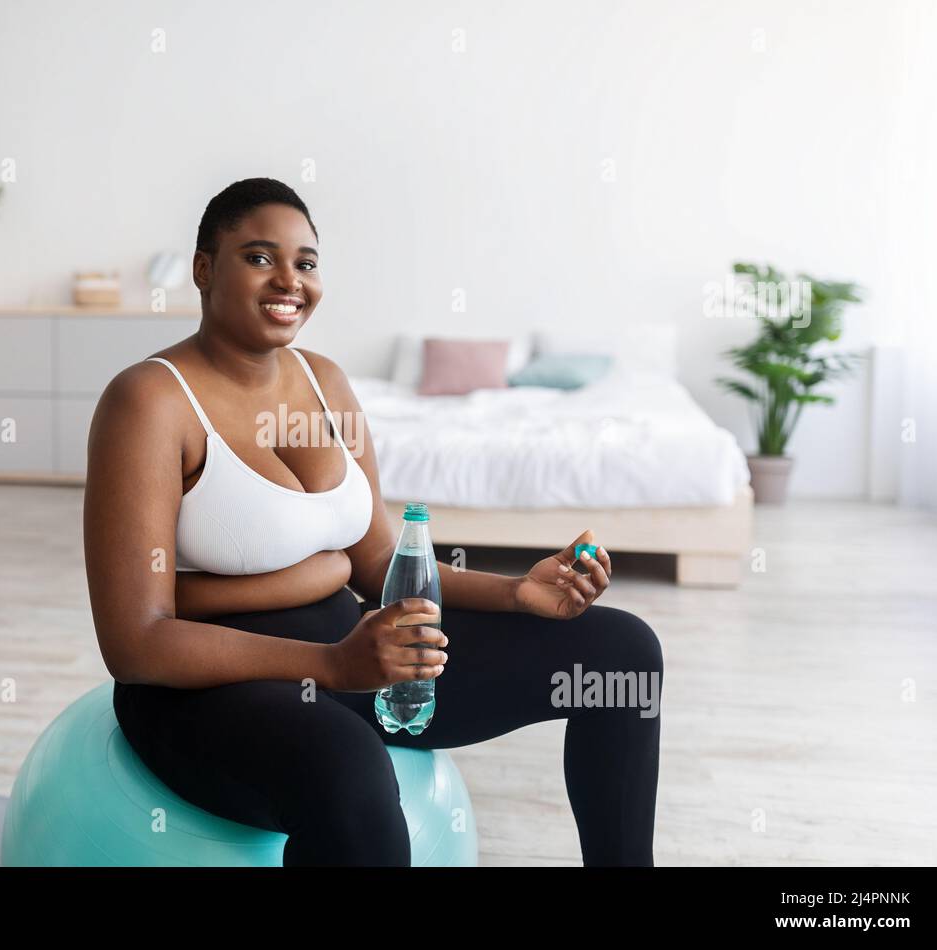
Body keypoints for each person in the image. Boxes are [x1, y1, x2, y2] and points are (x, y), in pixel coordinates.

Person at [83, 177, 663, 866]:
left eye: (305, 262)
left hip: (354, 654)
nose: (289, 280)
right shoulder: (147, 402)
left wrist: (516, 592)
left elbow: (377, 562)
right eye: (260, 257)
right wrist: (329, 666)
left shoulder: (326, 382)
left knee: (623, 652)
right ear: (204, 268)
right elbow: (135, 642)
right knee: (350, 766)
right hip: (204, 689)